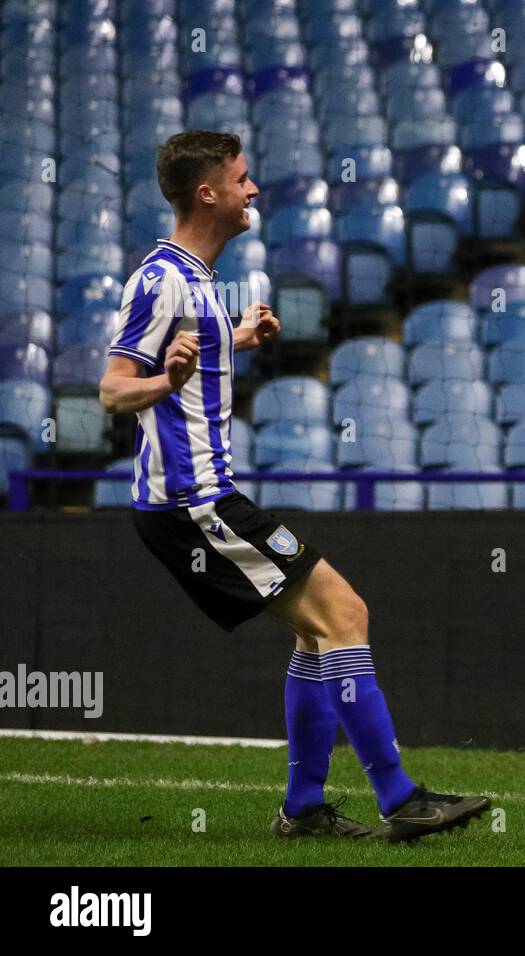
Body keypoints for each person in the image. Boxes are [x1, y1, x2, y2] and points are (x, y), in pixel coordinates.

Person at [99, 130, 490, 843]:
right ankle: (400, 799)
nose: (252, 191)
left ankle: (305, 810)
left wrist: (237, 339)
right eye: (242, 180)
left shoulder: (198, 282)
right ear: (206, 192)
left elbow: (190, 354)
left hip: (206, 499)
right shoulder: (159, 280)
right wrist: (168, 380)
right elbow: (112, 391)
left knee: (319, 637)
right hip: (193, 504)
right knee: (344, 614)